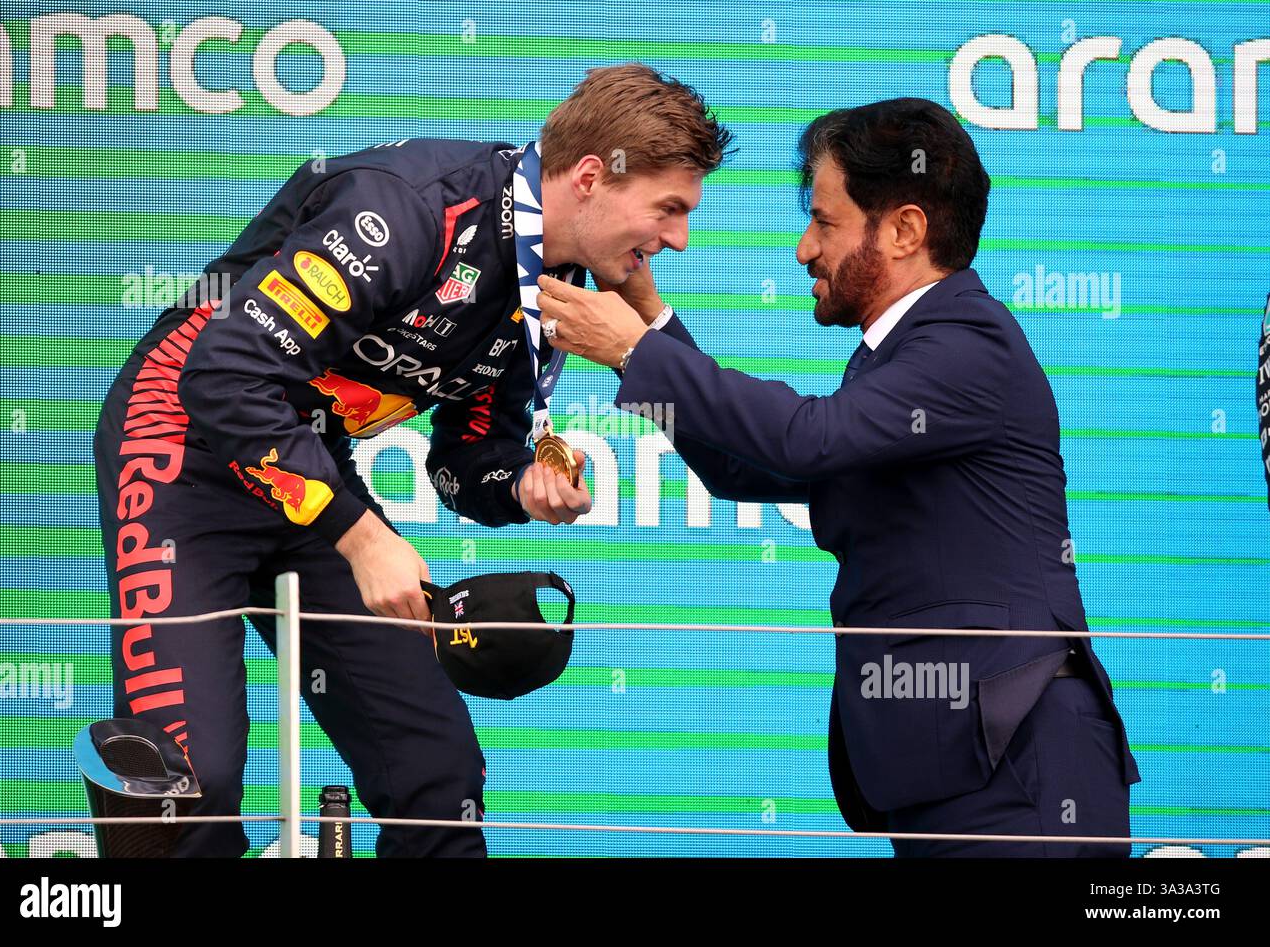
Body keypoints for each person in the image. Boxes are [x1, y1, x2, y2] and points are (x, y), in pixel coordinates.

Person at [93, 62, 732, 857]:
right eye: (669, 210)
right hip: (183, 441)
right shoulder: (407, 207)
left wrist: (521, 489)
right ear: (594, 178)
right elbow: (228, 375)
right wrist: (362, 538)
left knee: (438, 775)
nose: (678, 238)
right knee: (188, 783)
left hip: (307, 460)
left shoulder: (558, 287)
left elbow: (464, 460)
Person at [536, 97, 1141, 857]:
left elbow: (806, 439)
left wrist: (635, 354)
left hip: (1021, 772)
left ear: (905, 230)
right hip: (948, 773)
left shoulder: (968, 341)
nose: (802, 249)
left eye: (824, 223)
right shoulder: (899, 359)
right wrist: (649, 316)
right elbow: (740, 466)